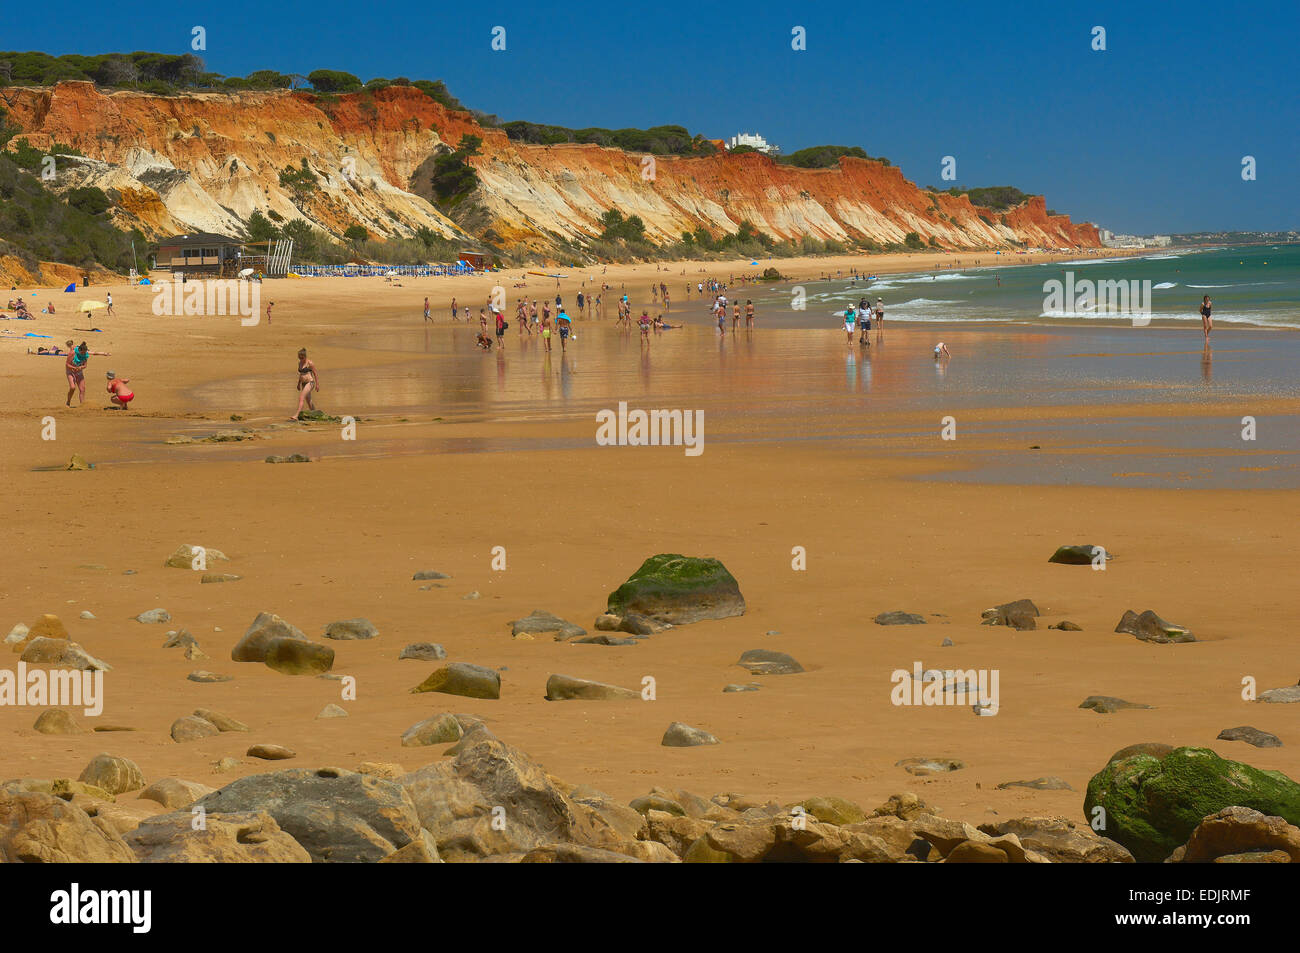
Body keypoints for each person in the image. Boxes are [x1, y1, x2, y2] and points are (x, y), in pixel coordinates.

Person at [291, 348, 319, 420]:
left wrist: (317, 385)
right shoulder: (299, 363)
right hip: (303, 383)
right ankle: (315, 414)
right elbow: (301, 374)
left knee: (301, 398)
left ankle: (296, 415)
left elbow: (315, 374)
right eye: (299, 358)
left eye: (302, 358)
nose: (300, 359)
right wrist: (298, 383)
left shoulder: (310, 363)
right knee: (309, 402)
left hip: (310, 383)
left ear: (305, 356)